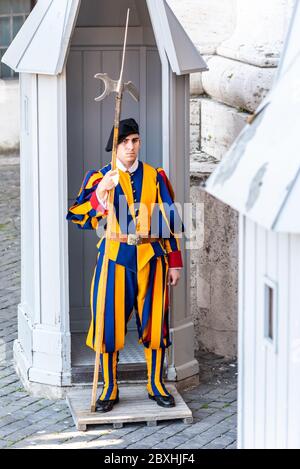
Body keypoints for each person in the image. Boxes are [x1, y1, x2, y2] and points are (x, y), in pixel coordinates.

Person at [66, 118, 184, 412]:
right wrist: (100, 194)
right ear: (115, 147)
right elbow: (80, 217)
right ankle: (109, 386)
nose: (131, 147)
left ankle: (155, 384)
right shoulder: (100, 177)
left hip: (152, 257)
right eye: (124, 142)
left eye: (135, 141)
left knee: (155, 322)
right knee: (108, 323)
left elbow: (170, 218)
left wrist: (175, 261)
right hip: (114, 258)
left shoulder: (155, 176)